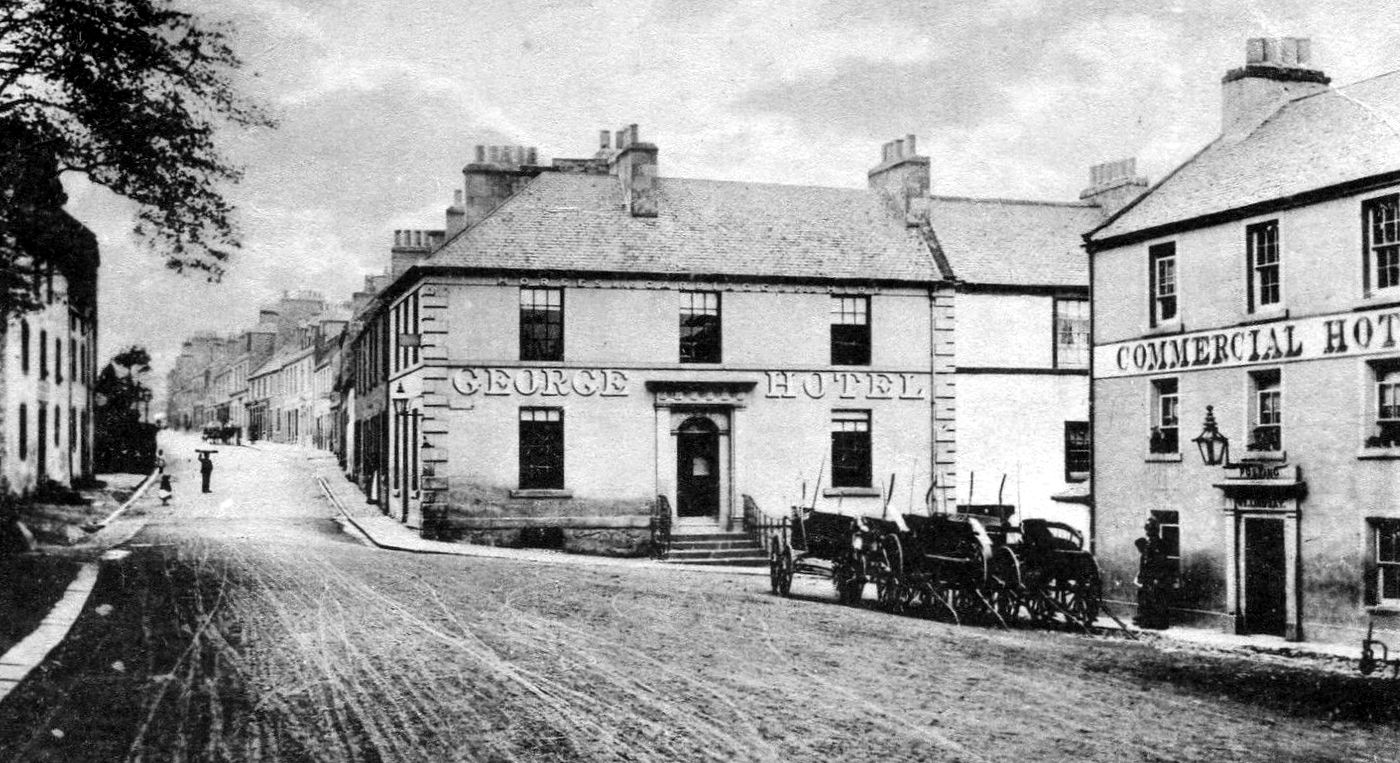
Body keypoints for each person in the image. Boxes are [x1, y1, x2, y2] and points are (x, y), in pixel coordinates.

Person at [1134, 517, 1172, 629]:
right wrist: (1141, 575)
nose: (1148, 532)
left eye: (1150, 530)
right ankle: (1145, 621)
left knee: (1156, 599)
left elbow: (1160, 563)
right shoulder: (1147, 544)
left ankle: (1158, 623)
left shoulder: (1159, 544)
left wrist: (1158, 578)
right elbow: (1144, 561)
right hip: (1147, 577)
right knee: (1145, 599)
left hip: (1155, 577)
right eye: (1147, 529)